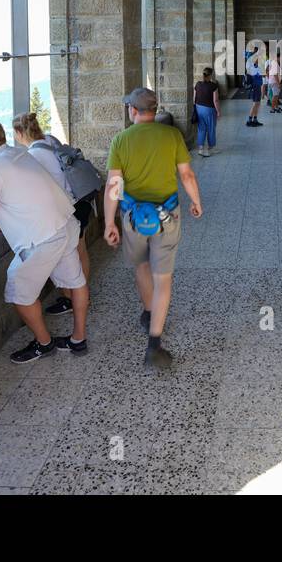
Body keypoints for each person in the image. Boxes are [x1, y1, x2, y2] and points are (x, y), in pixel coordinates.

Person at [0, 122, 89, 362]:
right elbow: (11, 199)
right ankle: (78, 339)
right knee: (76, 281)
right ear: (3, 138)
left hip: (42, 237)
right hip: (64, 223)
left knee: (18, 292)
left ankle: (44, 343)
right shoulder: (20, 153)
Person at [103, 88, 203, 369]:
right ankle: (154, 343)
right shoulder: (171, 135)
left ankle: (148, 312)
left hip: (133, 218)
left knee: (141, 268)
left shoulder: (120, 141)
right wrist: (196, 201)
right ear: (154, 111)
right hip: (166, 216)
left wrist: (110, 222)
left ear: (133, 111)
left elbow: (114, 185)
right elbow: (186, 173)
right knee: (164, 278)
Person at [11, 112, 95, 317]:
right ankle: (83, 295)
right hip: (82, 199)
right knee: (80, 250)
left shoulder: (33, 156)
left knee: (69, 258)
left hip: (67, 208)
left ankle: (72, 299)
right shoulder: (50, 140)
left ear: (19, 132)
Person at [193, 67, 220, 157]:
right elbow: (215, 100)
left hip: (199, 108)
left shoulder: (198, 84)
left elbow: (194, 98)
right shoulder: (213, 86)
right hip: (209, 110)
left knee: (201, 128)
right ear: (211, 75)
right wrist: (218, 111)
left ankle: (201, 149)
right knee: (211, 129)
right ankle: (211, 148)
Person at [245, 45, 264, 127]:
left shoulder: (252, 61)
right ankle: (249, 120)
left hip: (257, 84)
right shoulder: (252, 61)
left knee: (258, 103)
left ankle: (255, 119)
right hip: (255, 84)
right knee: (255, 103)